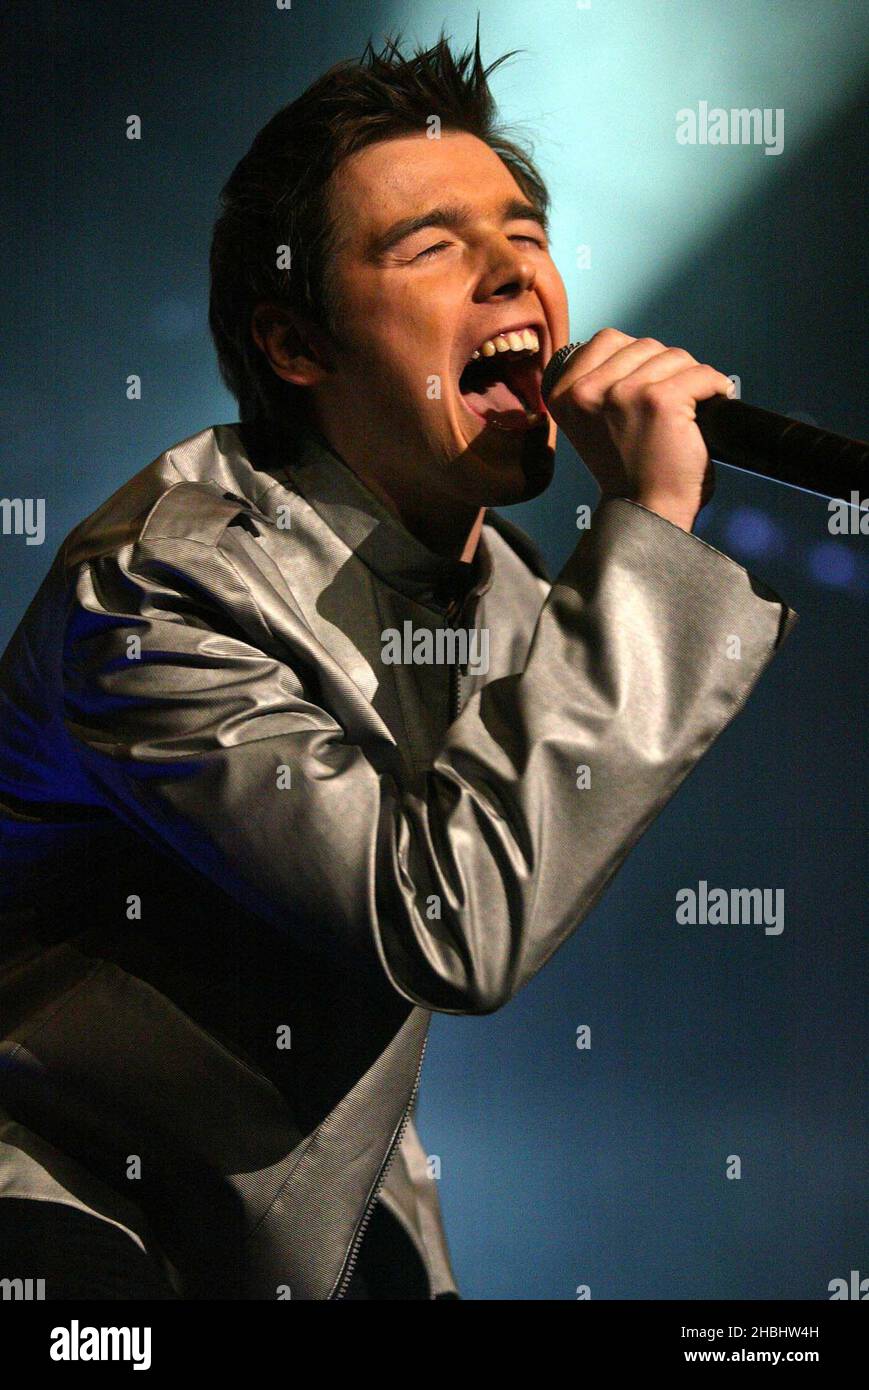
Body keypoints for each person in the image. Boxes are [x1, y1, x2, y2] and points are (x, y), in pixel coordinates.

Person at [0, 31, 796, 1300]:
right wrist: (646, 535)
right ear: (294, 344)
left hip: (301, 1225)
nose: (509, 273)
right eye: (430, 246)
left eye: (524, 233)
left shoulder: (518, 596)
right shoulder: (157, 590)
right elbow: (446, 918)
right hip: (65, 1215)